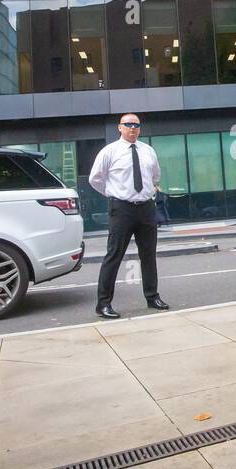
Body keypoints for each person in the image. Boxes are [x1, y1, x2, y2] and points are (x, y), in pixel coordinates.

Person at [88, 114, 170, 319]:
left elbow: (155, 176)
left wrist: (149, 193)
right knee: (114, 256)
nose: (132, 128)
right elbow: (95, 178)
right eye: (128, 125)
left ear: (140, 128)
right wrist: (113, 193)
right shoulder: (110, 151)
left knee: (149, 255)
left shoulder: (148, 151)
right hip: (122, 210)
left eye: (136, 125)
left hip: (146, 209)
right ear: (119, 127)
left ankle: (152, 297)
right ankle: (103, 304)